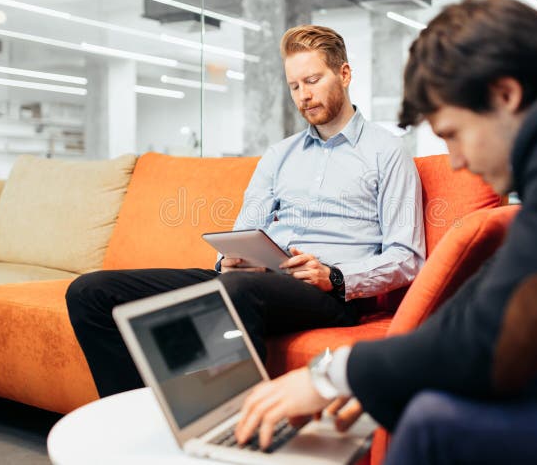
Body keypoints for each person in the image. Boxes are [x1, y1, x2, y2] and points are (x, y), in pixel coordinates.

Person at [233, 0, 537, 463]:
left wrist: (336, 375)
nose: (457, 160)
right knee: (422, 393)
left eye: (453, 134)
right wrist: (387, 372)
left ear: (505, 94)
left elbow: (495, 334)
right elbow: (498, 286)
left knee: (435, 423)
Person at [66, 25, 425, 398]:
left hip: (327, 293)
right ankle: (142, 417)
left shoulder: (388, 152)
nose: (304, 96)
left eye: (313, 80)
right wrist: (230, 260)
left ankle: (225, 433)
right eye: (295, 86)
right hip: (252, 281)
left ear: (345, 74)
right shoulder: (279, 155)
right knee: (91, 292)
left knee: (236, 289)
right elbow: (243, 232)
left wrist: (334, 276)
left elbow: (408, 257)